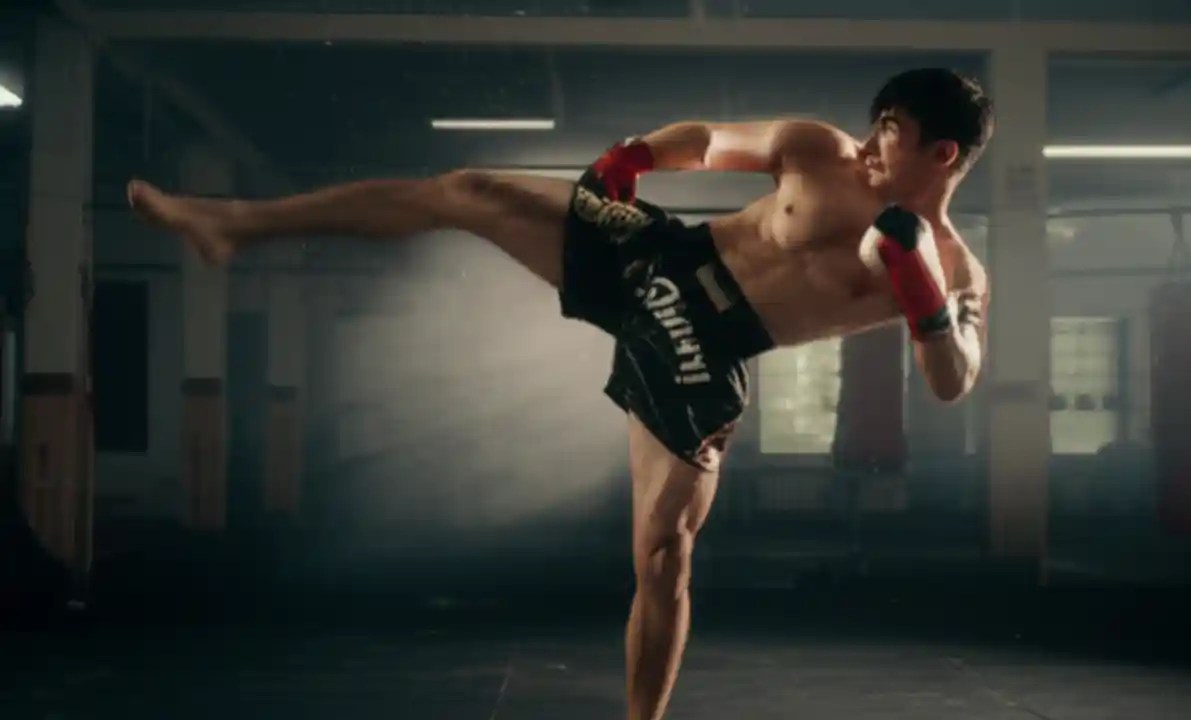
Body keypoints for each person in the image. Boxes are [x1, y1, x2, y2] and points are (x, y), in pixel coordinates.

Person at [127, 67, 994, 720]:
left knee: (664, 557)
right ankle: (234, 224)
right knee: (467, 191)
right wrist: (638, 156)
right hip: (664, 260)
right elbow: (709, 140)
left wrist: (918, 292)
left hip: (707, 353)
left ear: (942, 153)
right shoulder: (817, 147)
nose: (870, 143)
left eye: (893, 134)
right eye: (875, 125)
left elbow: (954, 380)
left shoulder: (954, 268)